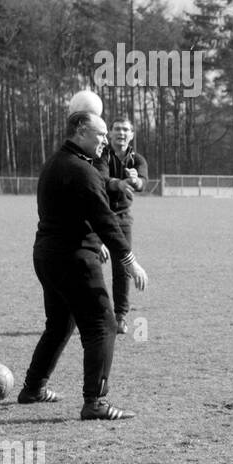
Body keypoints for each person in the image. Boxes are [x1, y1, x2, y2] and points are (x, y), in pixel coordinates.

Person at [18, 111, 149, 421]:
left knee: (61, 323)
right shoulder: (83, 171)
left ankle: (33, 387)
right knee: (103, 325)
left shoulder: (55, 163)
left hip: (47, 255)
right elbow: (105, 221)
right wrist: (130, 262)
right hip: (73, 259)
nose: (104, 140)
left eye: (106, 135)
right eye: (99, 134)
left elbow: (76, 212)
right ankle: (95, 402)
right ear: (79, 131)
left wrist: (95, 241)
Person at [102, 117, 148, 334]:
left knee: (122, 268)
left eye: (125, 130)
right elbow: (100, 180)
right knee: (86, 265)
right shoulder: (100, 156)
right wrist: (118, 183)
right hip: (96, 217)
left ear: (132, 135)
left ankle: (120, 316)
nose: (121, 133)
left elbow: (142, 184)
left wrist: (135, 179)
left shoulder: (137, 159)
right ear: (110, 133)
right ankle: (91, 314)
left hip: (122, 220)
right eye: (117, 129)